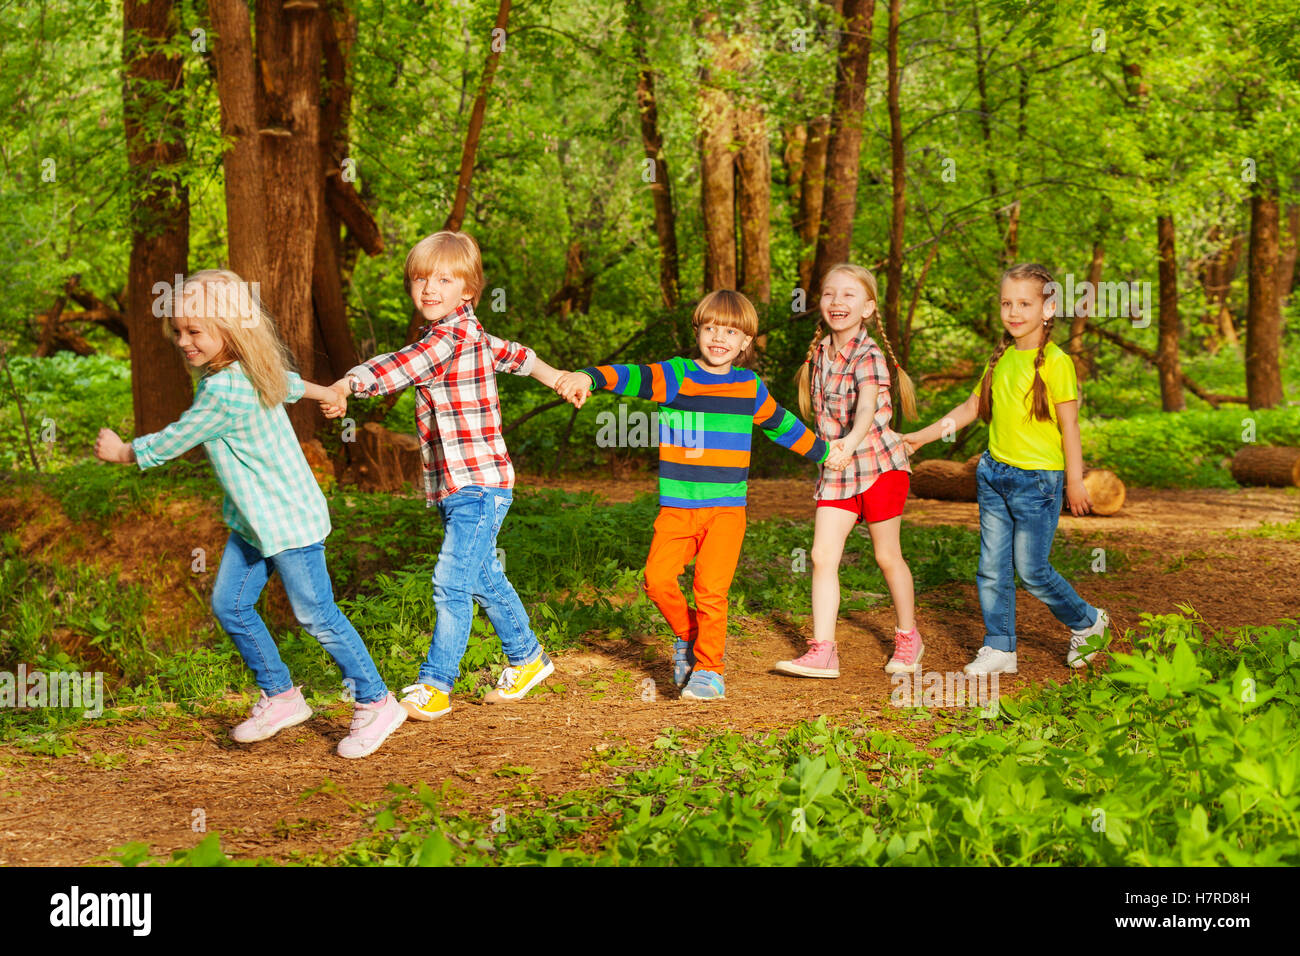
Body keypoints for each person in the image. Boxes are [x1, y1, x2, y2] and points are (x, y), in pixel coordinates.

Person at [94, 269, 405, 759]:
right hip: (255, 523)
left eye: (195, 331)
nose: (184, 341)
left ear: (230, 331)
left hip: (286, 522)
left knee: (316, 614)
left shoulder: (223, 391)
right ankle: (282, 697)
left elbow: (179, 437)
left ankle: (376, 702)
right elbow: (286, 383)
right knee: (231, 605)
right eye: (179, 331)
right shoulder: (246, 371)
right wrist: (326, 392)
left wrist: (125, 453)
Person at [333, 230, 573, 721]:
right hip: (462, 485)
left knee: (449, 582)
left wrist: (349, 382)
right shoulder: (473, 335)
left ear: (468, 291)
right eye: (421, 277)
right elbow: (520, 357)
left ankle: (436, 683)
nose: (428, 287)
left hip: (478, 485)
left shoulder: (448, 337)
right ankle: (528, 658)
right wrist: (558, 378)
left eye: (444, 278)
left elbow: (398, 366)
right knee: (482, 575)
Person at [554, 290, 838, 701]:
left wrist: (825, 453)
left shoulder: (750, 388)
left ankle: (710, 670)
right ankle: (689, 635)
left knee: (711, 591)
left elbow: (782, 425)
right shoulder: (678, 376)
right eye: (710, 328)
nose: (719, 338)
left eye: (730, 332)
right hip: (679, 507)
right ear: (698, 332)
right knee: (656, 580)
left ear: (746, 342)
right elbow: (630, 375)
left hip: (726, 510)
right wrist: (590, 377)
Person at [902, 262, 1110, 674]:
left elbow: (1070, 426)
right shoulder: (1000, 359)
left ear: (1048, 309)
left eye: (1024, 303)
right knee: (992, 568)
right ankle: (1000, 647)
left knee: (1032, 570)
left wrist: (1075, 481)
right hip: (993, 475)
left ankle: (1089, 622)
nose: (1013, 312)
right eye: (1006, 303)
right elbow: (969, 408)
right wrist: (921, 437)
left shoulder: (1057, 362)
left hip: (1040, 483)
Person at [775, 263, 922, 679]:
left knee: (886, 555)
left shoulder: (869, 354)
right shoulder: (819, 355)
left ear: (869, 308)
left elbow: (866, 411)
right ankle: (823, 650)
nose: (837, 302)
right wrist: (828, 451)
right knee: (822, 556)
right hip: (838, 470)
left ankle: (909, 637)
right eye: (829, 294)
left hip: (878, 465)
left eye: (849, 295)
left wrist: (848, 445)